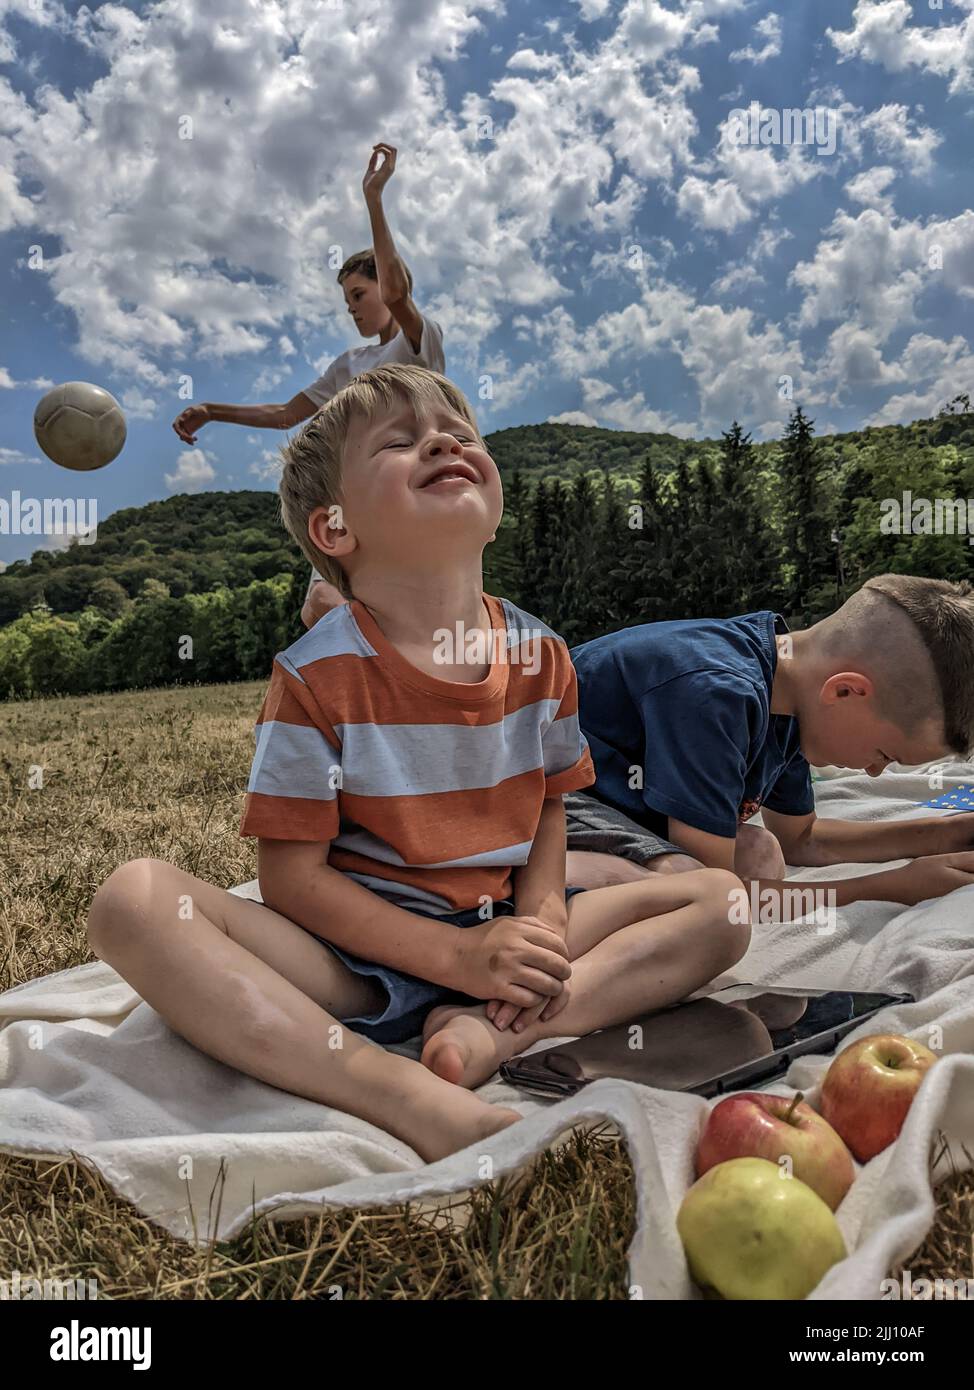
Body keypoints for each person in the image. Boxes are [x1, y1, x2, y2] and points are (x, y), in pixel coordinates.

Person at [88, 365, 748, 1162]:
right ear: (334, 530)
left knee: (723, 902)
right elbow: (291, 881)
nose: (443, 442)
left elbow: (548, 806)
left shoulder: (542, 654)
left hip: (498, 925)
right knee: (134, 901)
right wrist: (456, 958)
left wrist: (541, 926)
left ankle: (496, 1033)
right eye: (400, 442)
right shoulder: (315, 676)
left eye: (460, 433)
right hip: (353, 962)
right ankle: (394, 1090)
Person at [564, 576, 974, 918]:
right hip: (544, 810)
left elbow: (802, 839)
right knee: (684, 888)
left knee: (760, 852)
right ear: (845, 691)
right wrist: (887, 887)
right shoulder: (714, 693)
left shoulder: (792, 695)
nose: (873, 770)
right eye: (884, 754)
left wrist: (947, 834)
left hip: (615, 815)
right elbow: (711, 892)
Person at [171, 144, 445, 629]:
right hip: (358, 495)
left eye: (359, 294)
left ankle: (414, 654)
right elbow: (284, 414)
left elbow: (399, 293)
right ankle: (379, 664)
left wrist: (373, 199)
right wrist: (211, 410)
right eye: (346, 301)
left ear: (384, 285)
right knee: (317, 605)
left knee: (402, 603)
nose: (352, 308)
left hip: (414, 489)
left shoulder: (417, 342)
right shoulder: (349, 365)